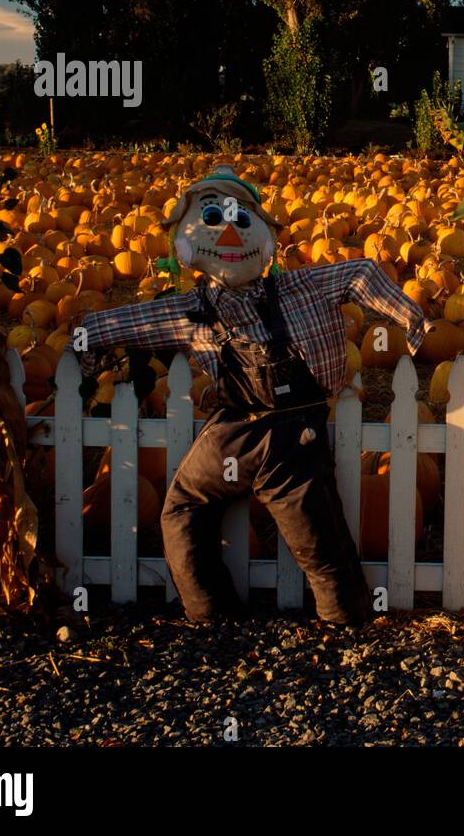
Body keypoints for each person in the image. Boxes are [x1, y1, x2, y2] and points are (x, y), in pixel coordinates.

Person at [78, 167, 429, 625]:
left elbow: (116, 326)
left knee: (183, 509)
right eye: (212, 218)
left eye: (237, 219)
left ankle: (209, 613)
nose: (226, 230)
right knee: (319, 543)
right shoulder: (299, 286)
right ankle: (346, 619)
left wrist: (81, 352)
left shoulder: (190, 310)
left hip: (237, 433)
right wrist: (414, 320)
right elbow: (362, 272)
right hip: (293, 439)